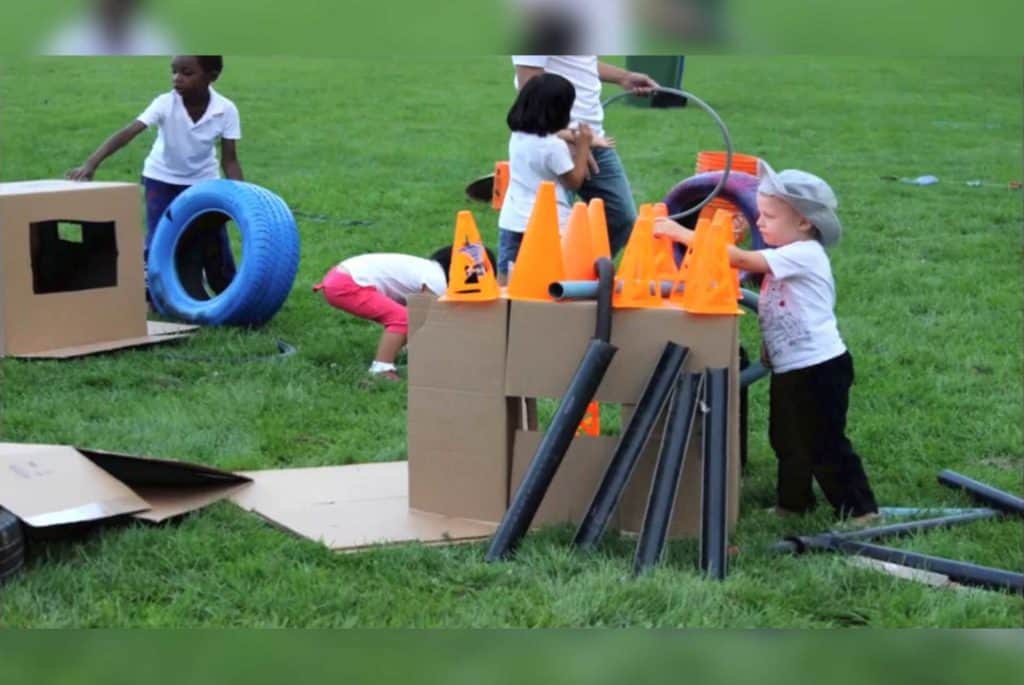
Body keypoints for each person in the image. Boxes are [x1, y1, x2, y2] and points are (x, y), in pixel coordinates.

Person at [654, 161, 879, 523]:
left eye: (769, 217)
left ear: (804, 223)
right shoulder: (783, 254)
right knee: (786, 439)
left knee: (824, 441)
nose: (760, 222)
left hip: (820, 368)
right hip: (790, 365)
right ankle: (793, 503)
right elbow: (766, 293)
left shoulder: (803, 253)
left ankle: (861, 510)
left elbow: (739, 260)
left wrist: (683, 234)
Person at [67, 55, 242, 296]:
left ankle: (229, 289)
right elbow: (129, 132)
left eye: (186, 73)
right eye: (174, 71)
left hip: (203, 181)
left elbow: (230, 160)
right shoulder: (165, 103)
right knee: (160, 233)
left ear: (212, 76)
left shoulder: (226, 110)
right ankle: (153, 289)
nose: (176, 78)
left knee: (213, 236)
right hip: (161, 178)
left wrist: (242, 196)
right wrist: (91, 164)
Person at [511, 56, 658, 256]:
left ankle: (584, 276)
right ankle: (541, 279)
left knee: (619, 217)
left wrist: (624, 77)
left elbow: (581, 63)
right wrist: (567, 138)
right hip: (554, 141)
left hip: (594, 137)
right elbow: (529, 87)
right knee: (547, 226)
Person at [314, 245, 497, 382]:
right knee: (403, 319)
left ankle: (393, 355)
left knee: (405, 317)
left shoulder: (429, 269)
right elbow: (421, 318)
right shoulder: (438, 281)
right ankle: (381, 368)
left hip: (340, 277)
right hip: (348, 284)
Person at [497, 72, 606, 281]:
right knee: (547, 280)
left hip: (512, 220)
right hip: (551, 224)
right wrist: (583, 145)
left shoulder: (518, 135)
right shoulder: (553, 147)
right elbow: (574, 182)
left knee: (508, 281)